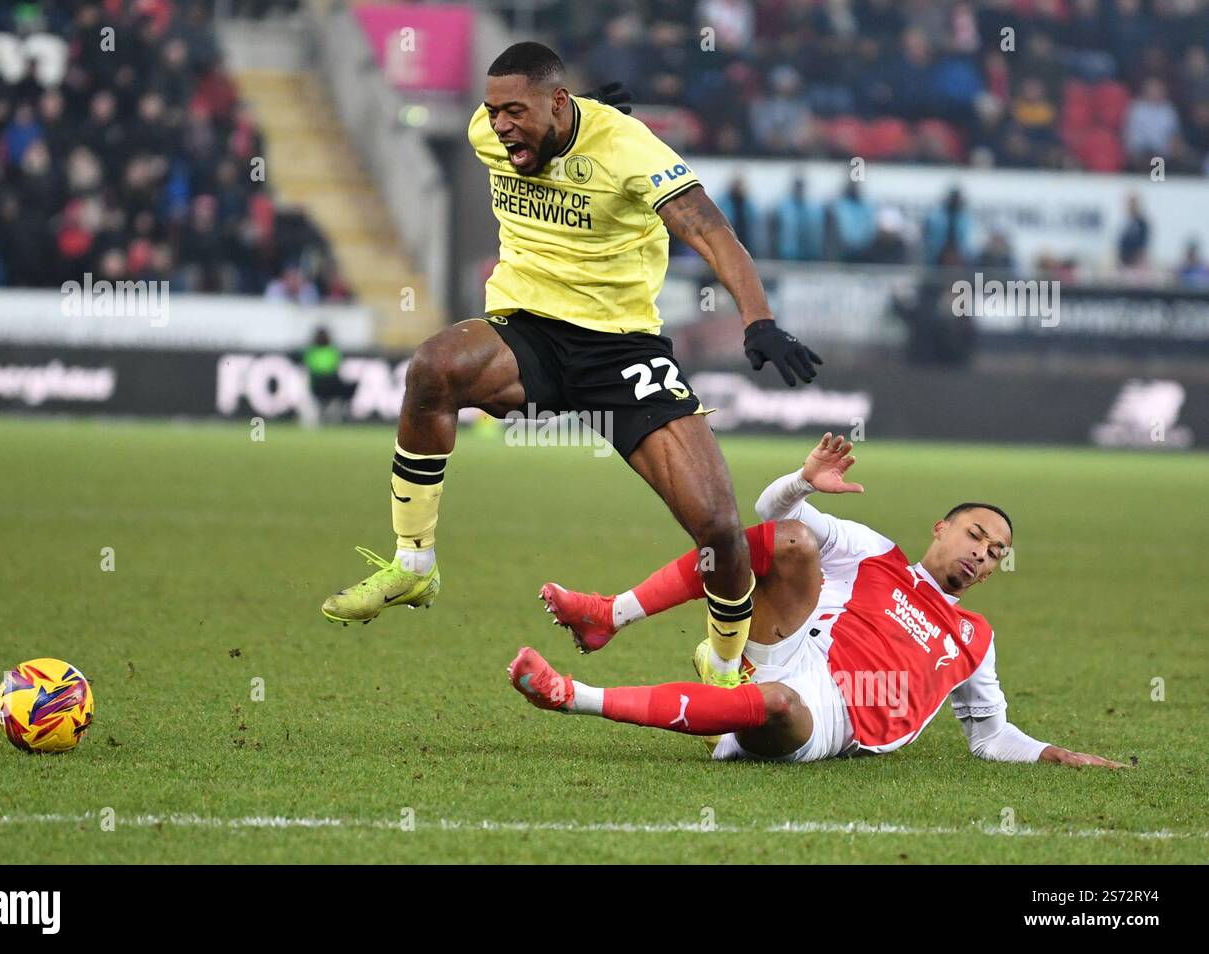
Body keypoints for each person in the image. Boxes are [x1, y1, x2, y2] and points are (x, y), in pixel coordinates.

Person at [322, 42, 822, 690]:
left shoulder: (631, 150)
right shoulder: (488, 132)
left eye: (515, 112)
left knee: (718, 526)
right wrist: (560, 128)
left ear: (558, 103)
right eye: (492, 111)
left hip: (622, 348)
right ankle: (414, 565)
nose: (500, 127)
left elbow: (710, 232)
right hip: (527, 331)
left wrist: (758, 320)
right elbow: (543, 136)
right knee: (432, 369)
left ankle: (723, 665)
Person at [522, 434, 1126, 769]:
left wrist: (1060, 754)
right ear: (940, 528)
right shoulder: (875, 553)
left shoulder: (975, 638)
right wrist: (803, 482)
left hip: (830, 715)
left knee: (777, 704)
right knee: (788, 540)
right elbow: (769, 516)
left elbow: (990, 738)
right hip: (789, 642)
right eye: (975, 535)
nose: (982, 554)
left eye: (995, 552)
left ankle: (571, 696)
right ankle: (610, 615)